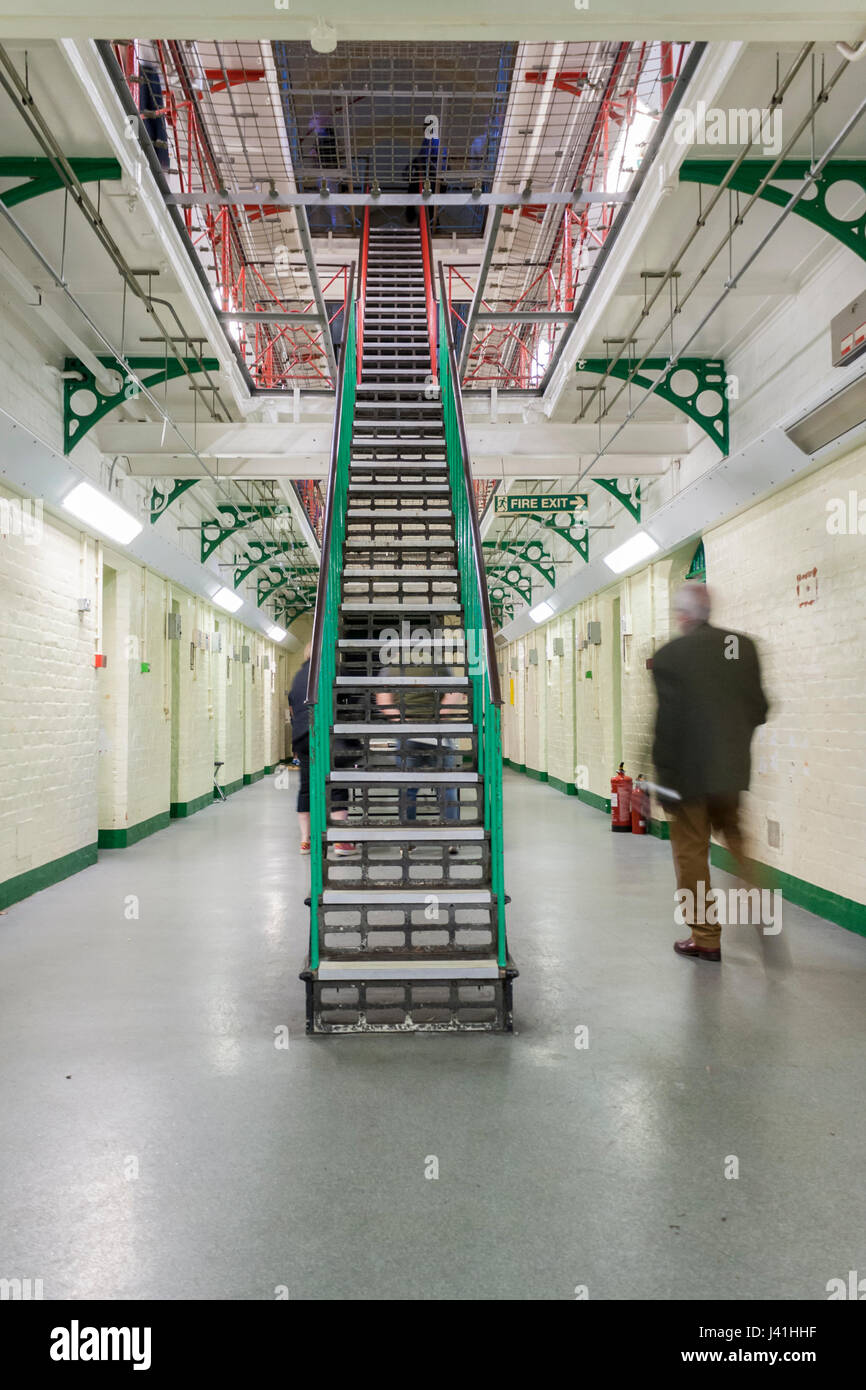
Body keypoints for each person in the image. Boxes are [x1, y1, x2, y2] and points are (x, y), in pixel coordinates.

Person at [651, 582, 769, 963]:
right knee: (738, 843)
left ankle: (705, 937)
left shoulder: (670, 655)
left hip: (687, 780)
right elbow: (760, 710)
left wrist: (661, 783)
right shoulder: (741, 647)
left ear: (683, 615)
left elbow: (666, 726)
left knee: (691, 856)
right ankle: (765, 917)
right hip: (730, 774)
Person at [375, 659, 464, 842]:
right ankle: (451, 837)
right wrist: (438, 718)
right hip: (438, 735)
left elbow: (383, 700)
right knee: (447, 787)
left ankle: (407, 838)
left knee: (407, 788)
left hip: (407, 736)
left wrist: (403, 722)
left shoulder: (391, 669)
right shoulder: (439, 666)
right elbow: (454, 693)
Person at [288, 644, 355, 856]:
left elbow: (292, 707)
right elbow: (351, 699)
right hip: (329, 735)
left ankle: (305, 840)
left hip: (303, 737)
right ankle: (340, 842)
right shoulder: (333, 670)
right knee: (336, 784)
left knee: (306, 788)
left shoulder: (299, 676)